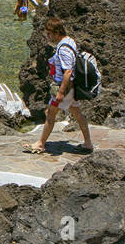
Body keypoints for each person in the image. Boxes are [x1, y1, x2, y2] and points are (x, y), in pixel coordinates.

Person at [24, 17, 93, 155]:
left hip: (64, 88)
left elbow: (67, 71)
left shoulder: (63, 49)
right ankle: (88, 143)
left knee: (50, 113)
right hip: (71, 88)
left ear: (57, 32)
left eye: (49, 34)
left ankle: (40, 144)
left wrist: (61, 92)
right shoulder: (69, 41)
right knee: (77, 113)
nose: (48, 37)